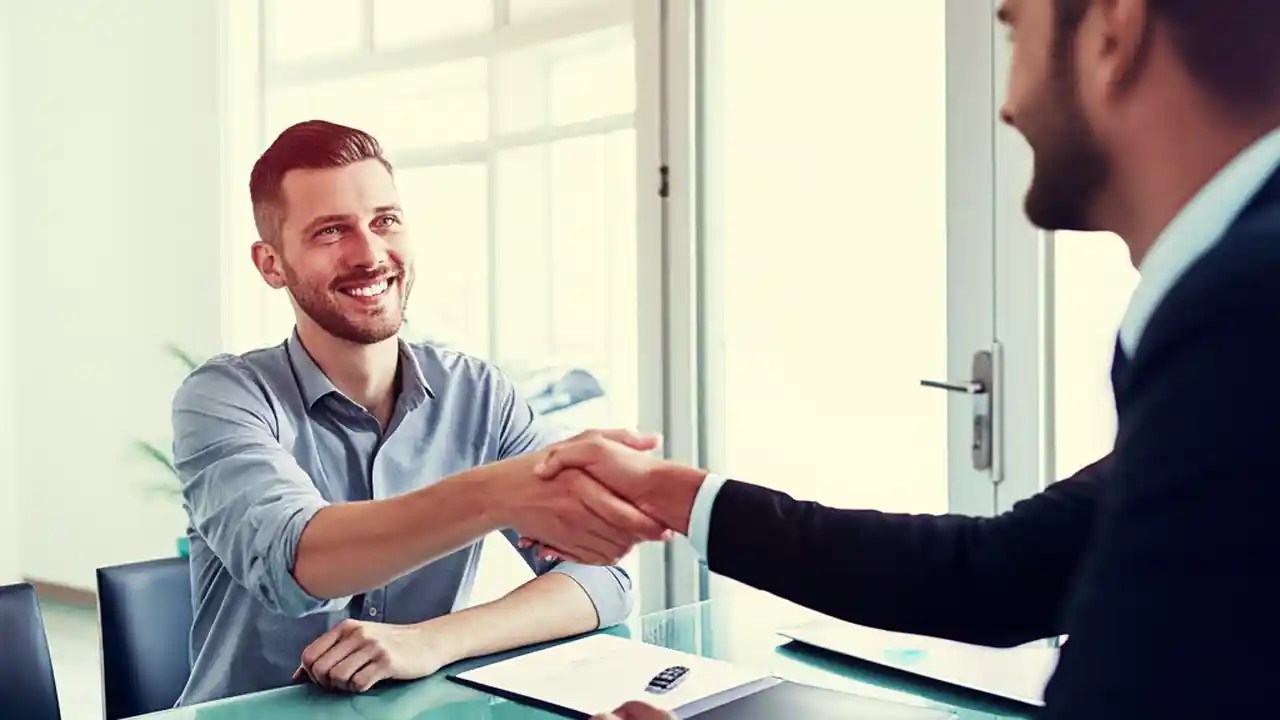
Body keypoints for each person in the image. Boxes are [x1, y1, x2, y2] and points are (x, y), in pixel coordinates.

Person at [552, 0, 1280, 717]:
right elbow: (999, 573)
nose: (1008, 107)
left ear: (1113, 33)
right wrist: (673, 494)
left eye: (1012, 29)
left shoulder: (1243, 315)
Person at [171, 120, 669, 704]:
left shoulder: (479, 394)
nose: (369, 253)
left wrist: (431, 641)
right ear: (271, 264)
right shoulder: (224, 397)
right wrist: (499, 493)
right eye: (331, 231)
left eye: (384, 220)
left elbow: (601, 578)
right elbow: (296, 565)